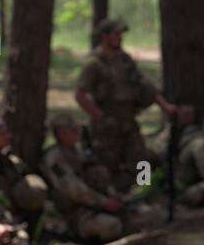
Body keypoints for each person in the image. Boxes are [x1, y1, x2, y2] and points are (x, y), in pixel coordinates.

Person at [75, 18, 177, 190]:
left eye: (121, 34)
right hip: (106, 127)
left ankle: (142, 193)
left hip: (129, 122)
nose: (120, 38)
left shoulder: (125, 60)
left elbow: (145, 85)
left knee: (141, 161)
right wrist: (101, 117)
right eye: (116, 34)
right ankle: (113, 197)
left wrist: (165, 106)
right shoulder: (94, 64)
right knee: (108, 164)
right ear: (105, 37)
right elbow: (80, 95)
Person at [40, 114, 156, 243]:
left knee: (148, 217)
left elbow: (100, 175)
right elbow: (74, 189)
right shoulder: (55, 157)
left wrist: (113, 197)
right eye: (73, 130)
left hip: (97, 205)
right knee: (111, 226)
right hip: (74, 213)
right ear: (62, 133)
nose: (77, 133)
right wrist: (105, 202)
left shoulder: (77, 152)